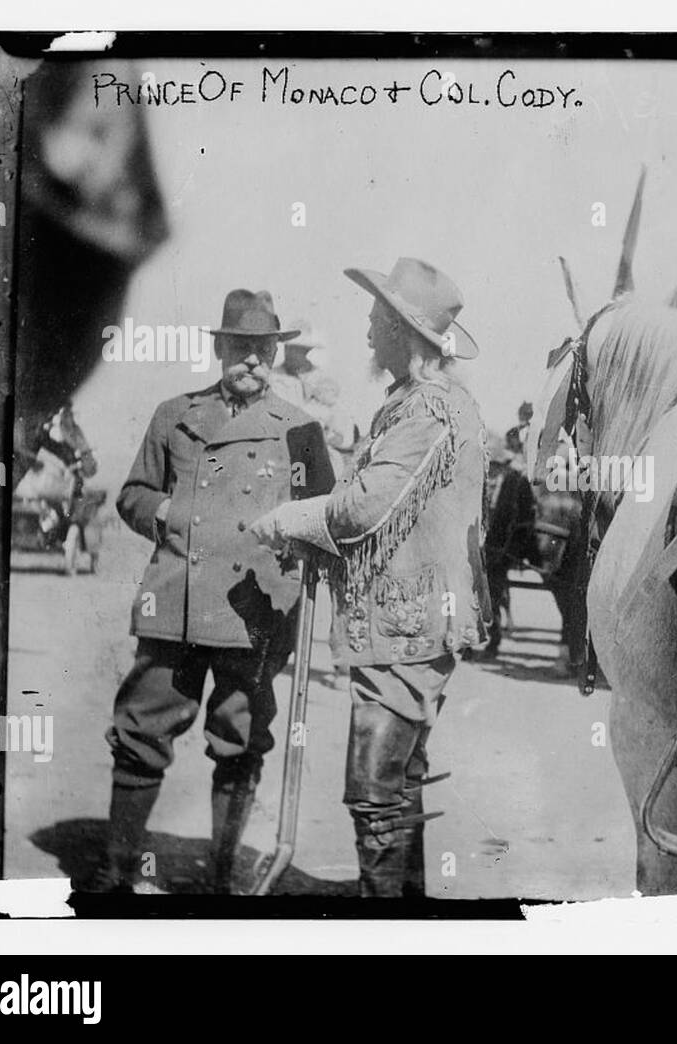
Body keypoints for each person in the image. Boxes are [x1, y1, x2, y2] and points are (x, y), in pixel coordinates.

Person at [251, 258, 490, 898]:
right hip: (401, 627)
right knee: (396, 788)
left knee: (375, 796)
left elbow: (363, 508)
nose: (366, 331)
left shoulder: (429, 410)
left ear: (403, 331)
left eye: (376, 318)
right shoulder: (413, 403)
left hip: (405, 631)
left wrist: (292, 518)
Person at [84, 289, 336, 894]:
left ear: (275, 356)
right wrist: (169, 510)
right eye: (240, 347)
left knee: (240, 740)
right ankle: (118, 872)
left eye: (263, 350)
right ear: (219, 348)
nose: (251, 360)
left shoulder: (299, 429)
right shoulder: (175, 414)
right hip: (175, 599)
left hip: (255, 608)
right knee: (141, 732)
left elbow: (322, 512)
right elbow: (133, 495)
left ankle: (222, 882)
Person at [267, 318, 360, 477]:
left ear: (306, 351)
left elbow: (342, 426)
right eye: (288, 347)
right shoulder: (273, 378)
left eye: (296, 349)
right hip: (283, 453)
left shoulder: (323, 381)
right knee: (294, 489)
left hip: (320, 453)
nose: (290, 352)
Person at [480, 432, 537, 659]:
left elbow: (525, 516)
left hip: (501, 548)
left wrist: (512, 548)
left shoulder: (516, 482)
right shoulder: (480, 484)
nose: (493, 470)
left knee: (493, 594)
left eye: (496, 465)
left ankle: (493, 640)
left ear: (503, 464)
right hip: (479, 547)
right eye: (490, 465)